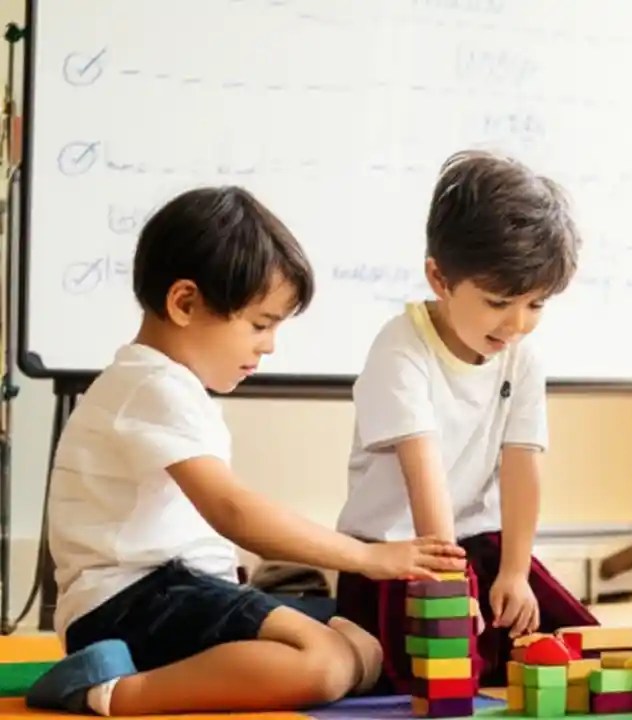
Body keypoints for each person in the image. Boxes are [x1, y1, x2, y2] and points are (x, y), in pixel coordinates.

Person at [27, 186, 468, 716]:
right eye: (261, 324)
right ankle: (111, 691)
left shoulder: (168, 386)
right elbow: (234, 512)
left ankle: (169, 673)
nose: (270, 345)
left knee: (366, 644)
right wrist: (369, 557)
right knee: (326, 663)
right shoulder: (152, 387)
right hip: (130, 605)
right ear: (184, 303)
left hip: (177, 592)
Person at [334, 150, 598, 692]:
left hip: (479, 539)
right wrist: (453, 587)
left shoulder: (522, 356)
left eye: (537, 305)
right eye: (499, 301)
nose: (517, 324)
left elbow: (522, 464)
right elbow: (422, 468)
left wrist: (516, 573)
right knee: (426, 673)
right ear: (439, 278)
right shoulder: (401, 349)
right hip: (403, 551)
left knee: (576, 644)